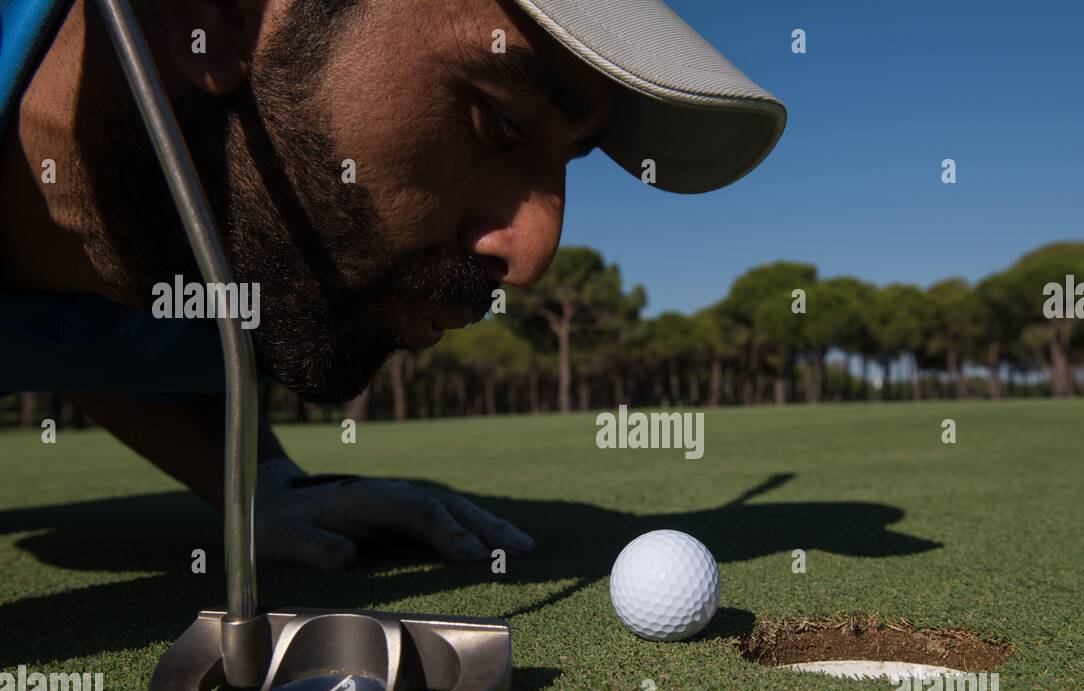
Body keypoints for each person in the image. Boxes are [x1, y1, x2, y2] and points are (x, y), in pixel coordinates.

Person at [0, 0, 785, 570]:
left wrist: (257, 484)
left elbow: (119, 344)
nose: (536, 253)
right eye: (499, 119)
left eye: (571, 157)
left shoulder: (198, 235)